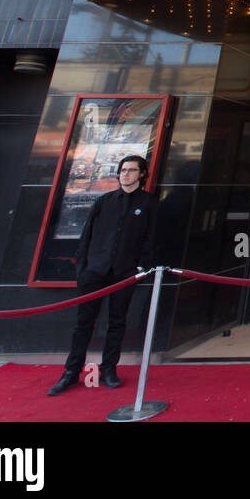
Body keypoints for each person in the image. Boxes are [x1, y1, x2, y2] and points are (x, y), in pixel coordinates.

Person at [47, 154, 159, 396]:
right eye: (122, 170)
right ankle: (71, 371)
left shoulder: (148, 204)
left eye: (131, 170)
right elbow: (87, 235)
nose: (125, 174)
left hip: (124, 271)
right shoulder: (105, 201)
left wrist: (140, 267)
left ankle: (109, 368)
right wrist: (83, 267)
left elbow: (150, 239)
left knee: (117, 322)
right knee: (84, 322)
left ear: (141, 174)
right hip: (95, 270)